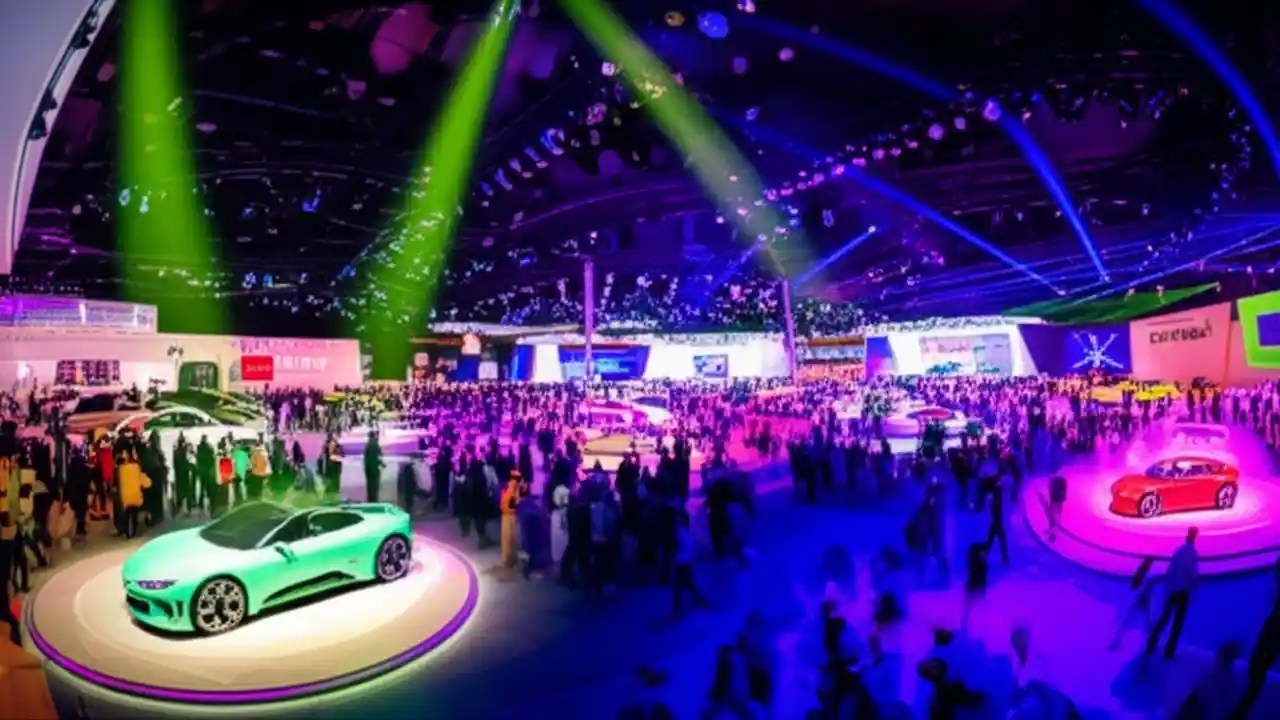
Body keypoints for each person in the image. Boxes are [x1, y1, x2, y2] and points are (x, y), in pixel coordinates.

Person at [1230, 559, 1280, 719]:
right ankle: (1240, 711)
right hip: (1269, 643)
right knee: (1256, 677)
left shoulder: (1275, 615)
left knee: (1256, 676)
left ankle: (1239, 712)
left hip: (1270, 639)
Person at [1147, 527, 1199, 660]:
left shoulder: (1179, 551)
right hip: (1182, 591)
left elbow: (1171, 569)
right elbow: (1191, 572)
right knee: (1177, 622)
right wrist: (1194, 583)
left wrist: (1168, 587)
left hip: (1172, 590)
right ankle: (1169, 650)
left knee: (1164, 618)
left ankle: (1151, 643)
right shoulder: (1192, 553)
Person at [672, 511, 707, 614]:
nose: (677, 520)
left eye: (678, 519)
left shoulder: (680, 531)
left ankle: (681, 606)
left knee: (683, 583)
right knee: (683, 583)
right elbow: (687, 546)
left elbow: (685, 546)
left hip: (683, 562)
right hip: (684, 561)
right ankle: (698, 600)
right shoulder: (682, 531)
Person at [500, 471, 520, 568]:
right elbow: (512, 507)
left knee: (507, 538)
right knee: (511, 538)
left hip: (506, 515)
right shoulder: (513, 489)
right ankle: (510, 559)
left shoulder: (507, 488)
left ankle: (507, 559)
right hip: (511, 516)